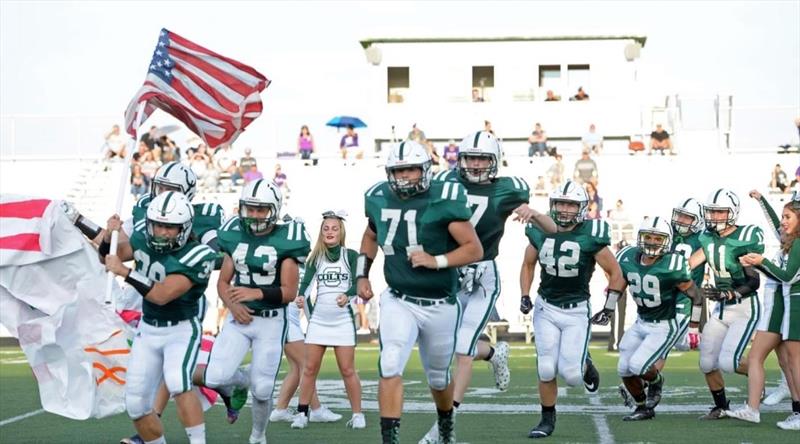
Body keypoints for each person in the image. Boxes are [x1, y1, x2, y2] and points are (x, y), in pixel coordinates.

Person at [419, 131, 556, 444]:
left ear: (495, 161)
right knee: (442, 345)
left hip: (482, 276)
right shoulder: (444, 183)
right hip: (450, 271)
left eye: (483, 158)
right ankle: (494, 353)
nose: (477, 164)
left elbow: (553, 230)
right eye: (471, 157)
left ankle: (444, 427)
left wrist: (534, 213)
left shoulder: (509, 188)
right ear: (461, 159)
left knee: (462, 348)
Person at [356, 140, 483, 444]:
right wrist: (362, 273)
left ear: (425, 169)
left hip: (441, 303)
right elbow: (370, 234)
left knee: (438, 378)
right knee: (389, 364)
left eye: (412, 169)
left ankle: (445, 423)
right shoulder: (378, 196)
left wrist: (436, 261)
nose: (406, 176)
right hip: (399, 298)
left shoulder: (444, 197)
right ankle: (390, 440)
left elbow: (474, 249)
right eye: (400, 170)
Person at [196, 179, 310, 444]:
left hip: (271, 320)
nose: (255, 215)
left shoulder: (287, 239)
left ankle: (258, 437)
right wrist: (233, 304)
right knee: (214, 377)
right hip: (240, 318)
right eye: (250, 208)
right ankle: (242, 379)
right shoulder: (233, 233)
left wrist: (256, 293)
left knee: (263, 390)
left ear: (275, 210)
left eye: (262, 210)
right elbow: (223, 282)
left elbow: (290, 292)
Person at [103, 191, 217, 444]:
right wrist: (108, 234)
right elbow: (112, 255)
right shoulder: (144, 238)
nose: (162, 232)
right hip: (148, 330)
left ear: (185, 228)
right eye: (158, 226)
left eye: (170, 227)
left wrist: (124, 271)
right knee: (135, 405)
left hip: (181, 330)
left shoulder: (198, 255)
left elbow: (162, 294)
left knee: (178, 383)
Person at [520, 180, 625, 438]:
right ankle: (547, 420)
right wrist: (524, 294)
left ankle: (586, 364)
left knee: (573, 376)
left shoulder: (591, 233)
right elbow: (528, 264)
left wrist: (609, 308)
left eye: (570, 204)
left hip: (576, 310)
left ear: (582, 208)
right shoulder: (539, 230)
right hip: (546, 306)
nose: (565, 209)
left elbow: (616, 273)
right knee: (546, 367)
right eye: (560, 203)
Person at [607, 217, 703, 421]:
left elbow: (696, 296)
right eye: (647, 237)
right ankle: (642, 407)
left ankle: (656, 382)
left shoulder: (673, 264)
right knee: (624, 368)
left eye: (657, 239)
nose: (651, 242)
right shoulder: (627, 256)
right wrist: (607, 308)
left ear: (666, 242)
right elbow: (619, 282)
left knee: (638, 366)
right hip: (641, 322)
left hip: (663, 325)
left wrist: (693, 327)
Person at [688, 188, 764, 420]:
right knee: (707, 362)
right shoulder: (707, 237)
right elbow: (690, 263)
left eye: (720, 212)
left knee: (728, 362)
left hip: (744, 307)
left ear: (732, 213)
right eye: (711, 212)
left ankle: (756, 377)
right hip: (720, 309)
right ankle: (721, 406)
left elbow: (754, 281)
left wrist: (730, 294)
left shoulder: (745, 237)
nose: (714, 217)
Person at [726, 190, 800, 430]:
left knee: (787, 360)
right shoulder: (789, 243)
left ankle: (754, 408)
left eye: (788, 217)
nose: (783, 222)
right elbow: (773, 223)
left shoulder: (797, 243)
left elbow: (787, 278)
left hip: (789, 306)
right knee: (787, 362)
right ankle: (794, 410)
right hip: (785, 305)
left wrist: (761, 263)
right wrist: (761, 200)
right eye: (783, 217)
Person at [291, 210, 365, 430]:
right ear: (321, 233)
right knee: (310, 369)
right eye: (326, 228)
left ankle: (358, 414)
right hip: (318, 322)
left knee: (348, 370)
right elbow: (307, 283)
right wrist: (302, 295)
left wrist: (348, 294)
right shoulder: (315, 257)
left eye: (334, 228)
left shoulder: (350, 255)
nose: (330, 232)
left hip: (343, 321)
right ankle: (303, 413)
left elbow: (358, 282)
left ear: (340, 231)